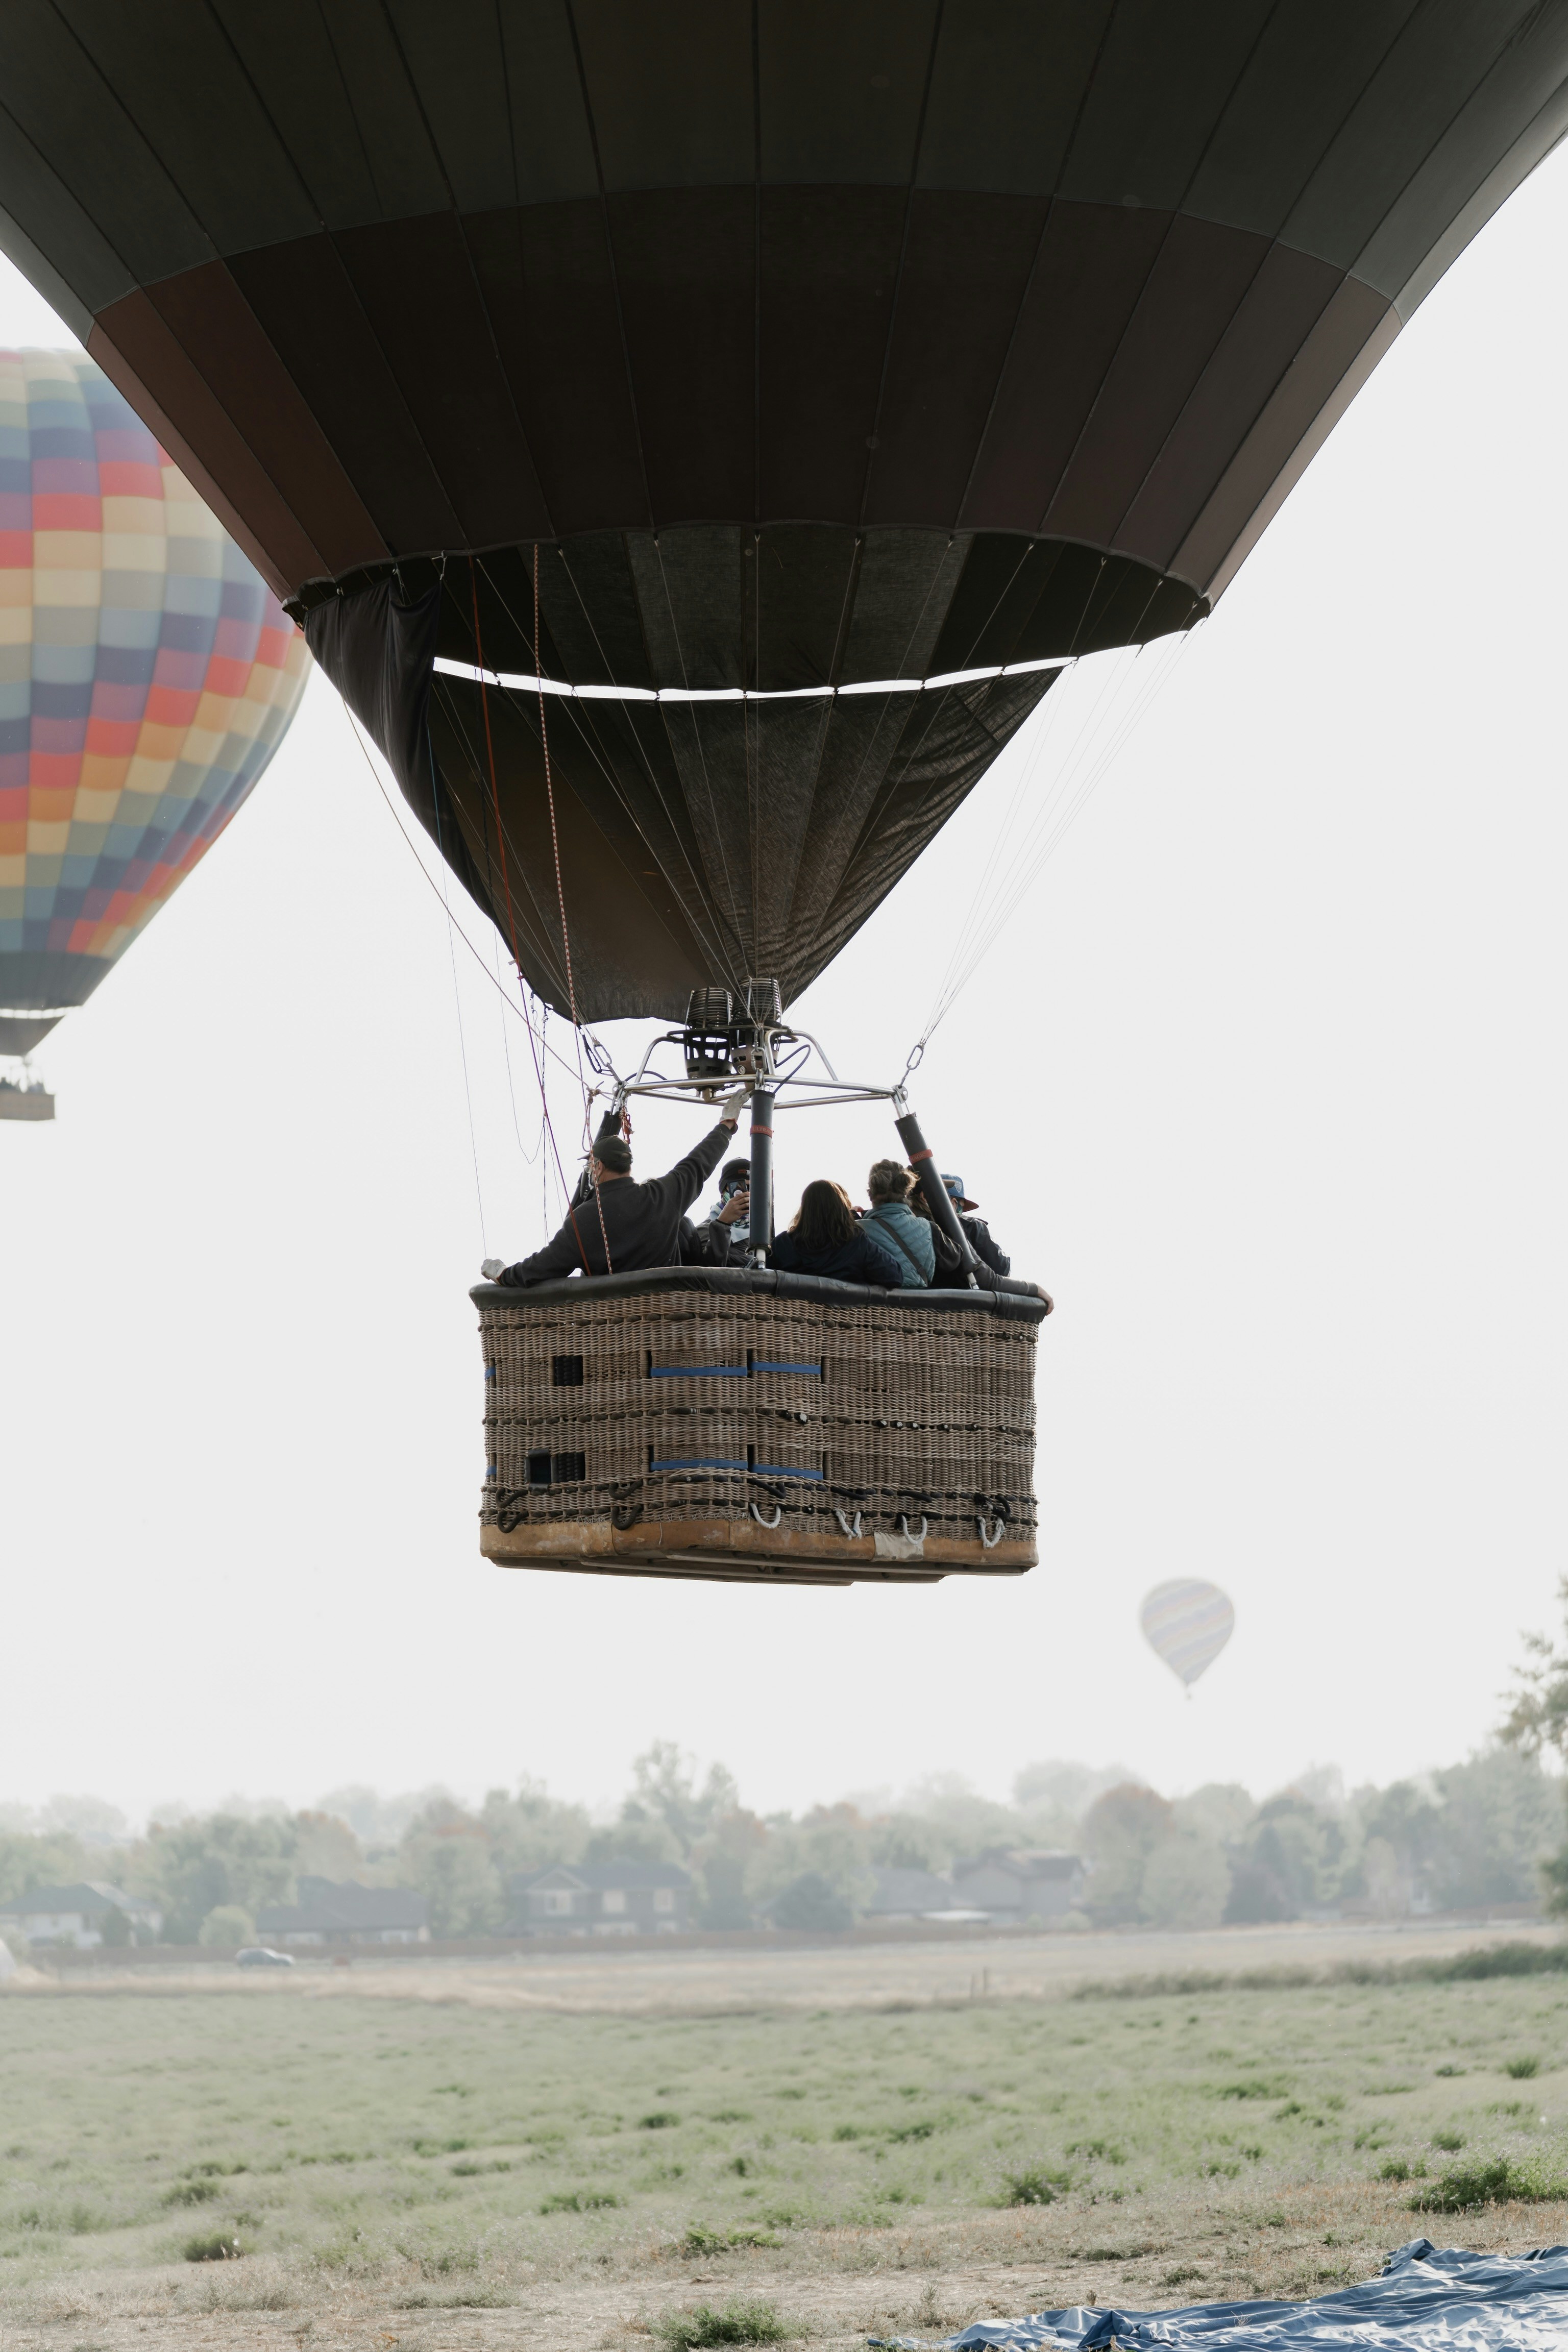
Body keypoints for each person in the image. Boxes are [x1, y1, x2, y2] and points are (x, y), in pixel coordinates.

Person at [481, 1088, 748, 1285]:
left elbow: (540, 1267)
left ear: (597, 1167)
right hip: (672, 1322)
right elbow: (699, 1163)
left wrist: (504, 1273)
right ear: (628, 1166)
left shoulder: (584, 1219)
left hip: (615, 1332)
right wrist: (726, 1124)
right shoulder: (662, 1196)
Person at [769, 1180, 902, 1288]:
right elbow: (894, 1277)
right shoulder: (857, 1243)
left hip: (790, 1317)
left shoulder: (782, 1244)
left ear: (805, 1209)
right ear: (842, 1209)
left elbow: (760, 1276)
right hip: (845, 1318)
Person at [860, 1159, 933, 1287]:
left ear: (871, 1194)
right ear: (906, 1192)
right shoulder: (927, 1227)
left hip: (875, 1306)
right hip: (922, 1304)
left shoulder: (858, 1230)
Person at [940, 1172, 1010, 1278]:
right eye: (962, 1206)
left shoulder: (921, 1225)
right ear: (953, 1204)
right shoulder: (973, 1226)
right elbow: (1002, 1267)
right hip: (967, 1291)